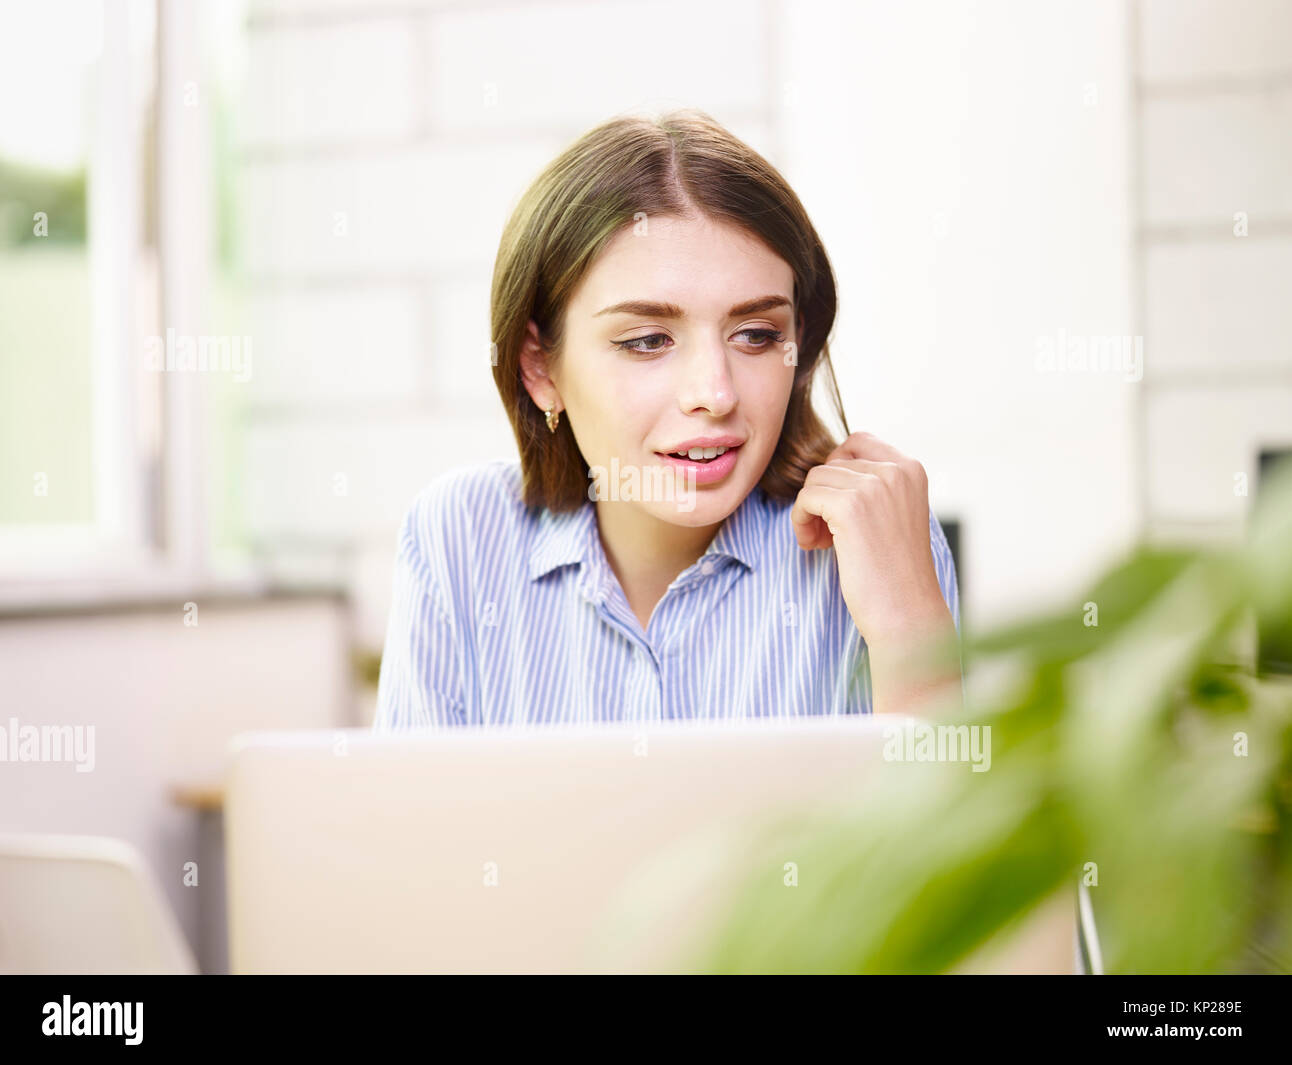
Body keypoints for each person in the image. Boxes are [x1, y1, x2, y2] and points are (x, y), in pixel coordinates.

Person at [375, 109, 961, 730]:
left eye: (757, 335)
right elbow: (406, 825)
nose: (714, 393)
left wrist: (909, 628)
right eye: (649, 340)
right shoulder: (461, 539)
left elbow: (956, 826)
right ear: (540, 368)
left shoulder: (876, 540)